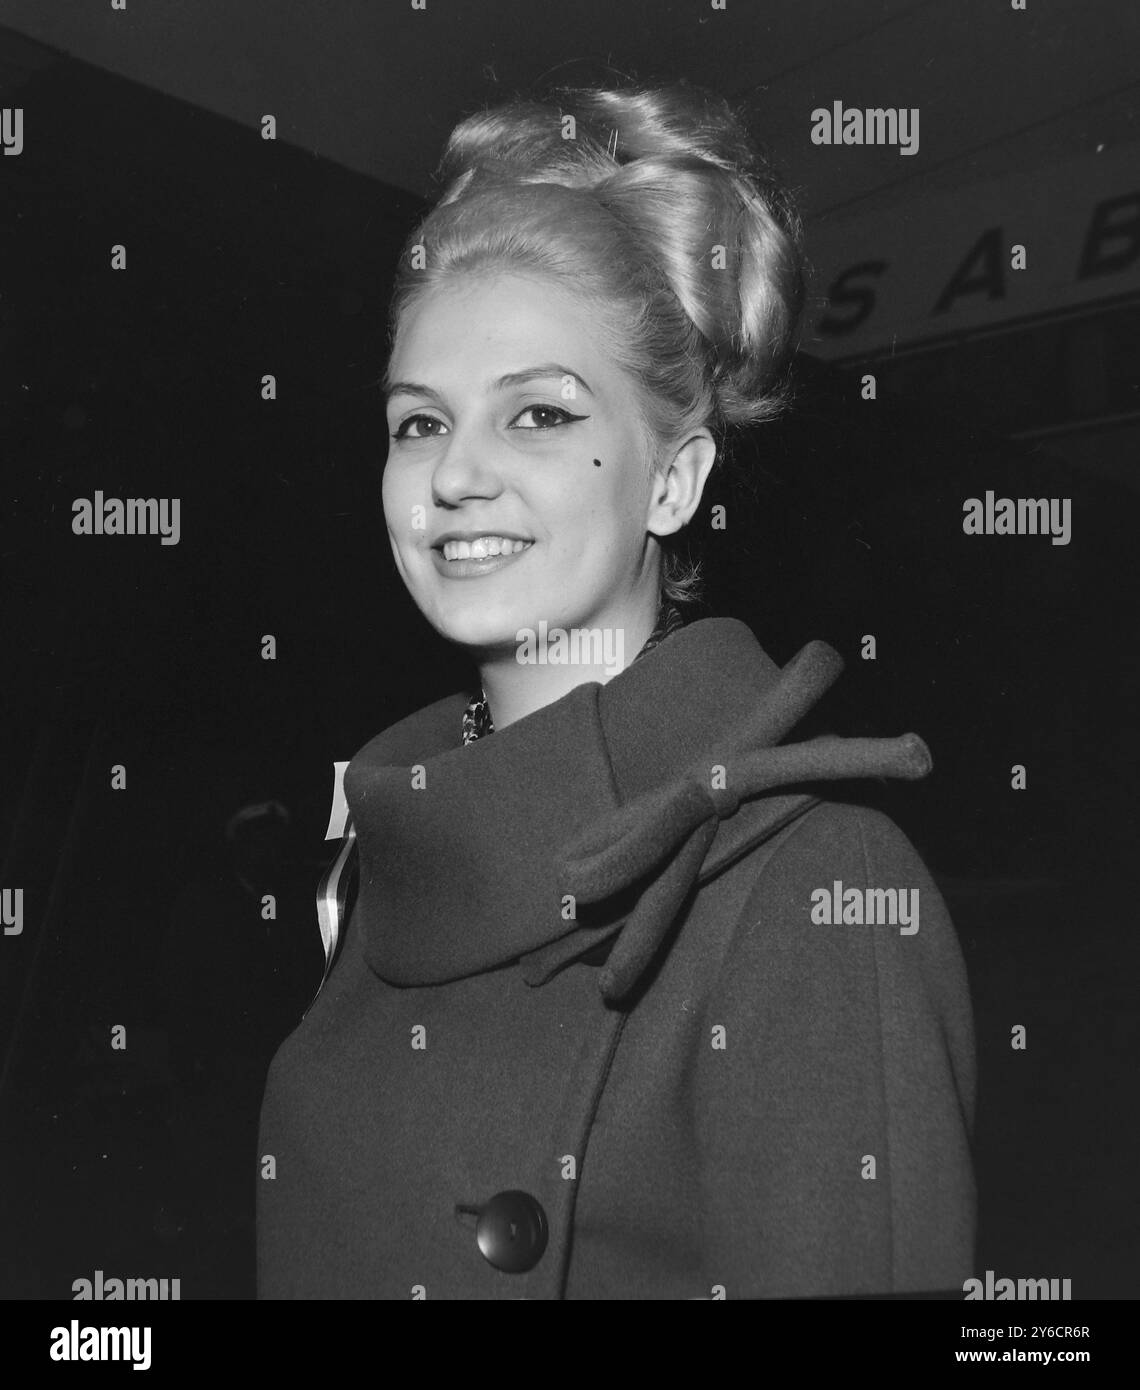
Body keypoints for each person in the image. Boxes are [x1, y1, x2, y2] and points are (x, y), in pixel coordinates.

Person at [256, 79, 975, 1300]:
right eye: (419, 424)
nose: (457, 475)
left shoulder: (813, 895)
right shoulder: (382, 855)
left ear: (673, 481)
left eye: (538, 413)